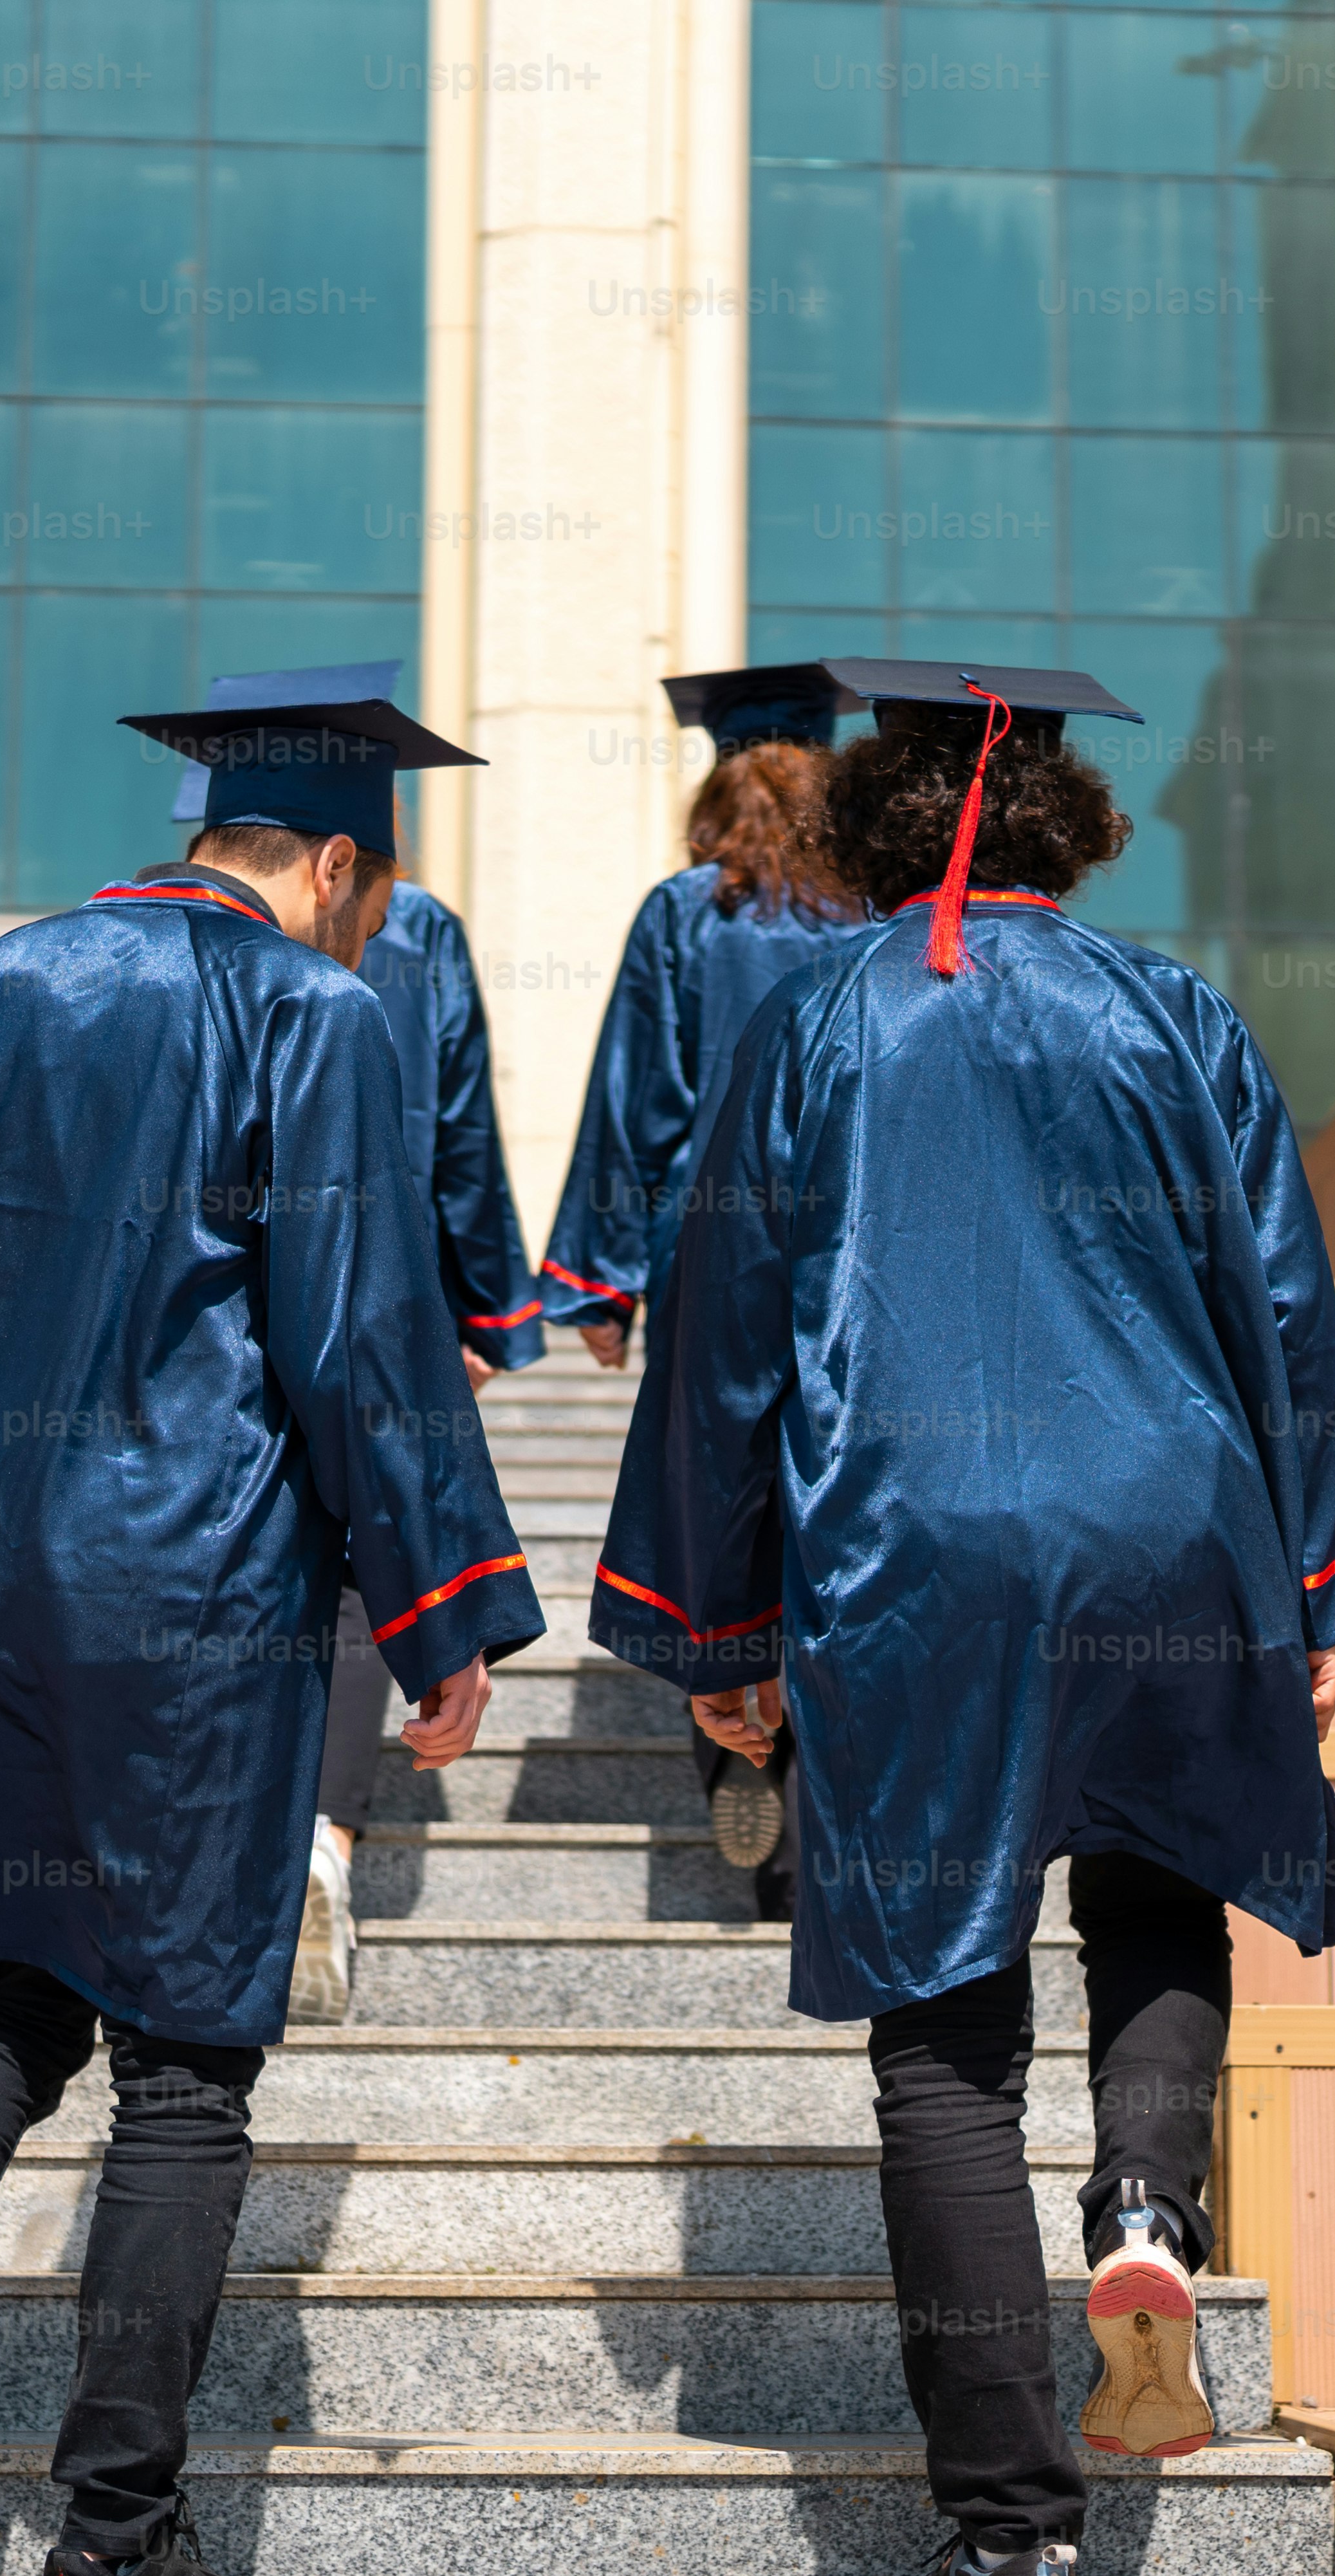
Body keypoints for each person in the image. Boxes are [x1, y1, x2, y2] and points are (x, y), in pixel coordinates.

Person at [0, 692, 542, 2576]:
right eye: (372, 898)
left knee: (15, 1975)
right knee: (184, 2049)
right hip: (185, 1583)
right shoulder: (323, 1017)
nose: (366, 934)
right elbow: (352, 1335)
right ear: (337, 867)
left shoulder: (3, 983)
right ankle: (115, 2555)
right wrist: (440, 1613)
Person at [588, 656, 1335, 2576]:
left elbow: (725, 1329)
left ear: (871, 834)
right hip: (1169, 1516)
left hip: (914, 1541)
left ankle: (1012, 2557)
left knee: (941, 2045)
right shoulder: (1173, 1011)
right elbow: (1276, 1294)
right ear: (1068, 833)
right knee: (1150, 1877)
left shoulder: (806, 1020)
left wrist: (717, 1627)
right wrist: (1313, 1577)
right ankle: (1143, 2208)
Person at [166, 665, 553, 2016]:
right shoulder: (405, 942)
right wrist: (487, 1308)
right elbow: (452, 1128)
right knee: (337, 1552)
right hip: (351, 1294)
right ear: (345, 862)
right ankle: (322, 1840)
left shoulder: (104, 959)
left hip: (165, 1354)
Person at [536, 663, 870, 1918]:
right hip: (858, 1249)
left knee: (719, 1499)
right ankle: (836, 1803)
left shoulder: (685, 913)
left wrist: (599, 1282)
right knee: (834, 1502)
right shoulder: (882, 912)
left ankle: (743, 1771)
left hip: (712, 1249)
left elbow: (639, 1101)